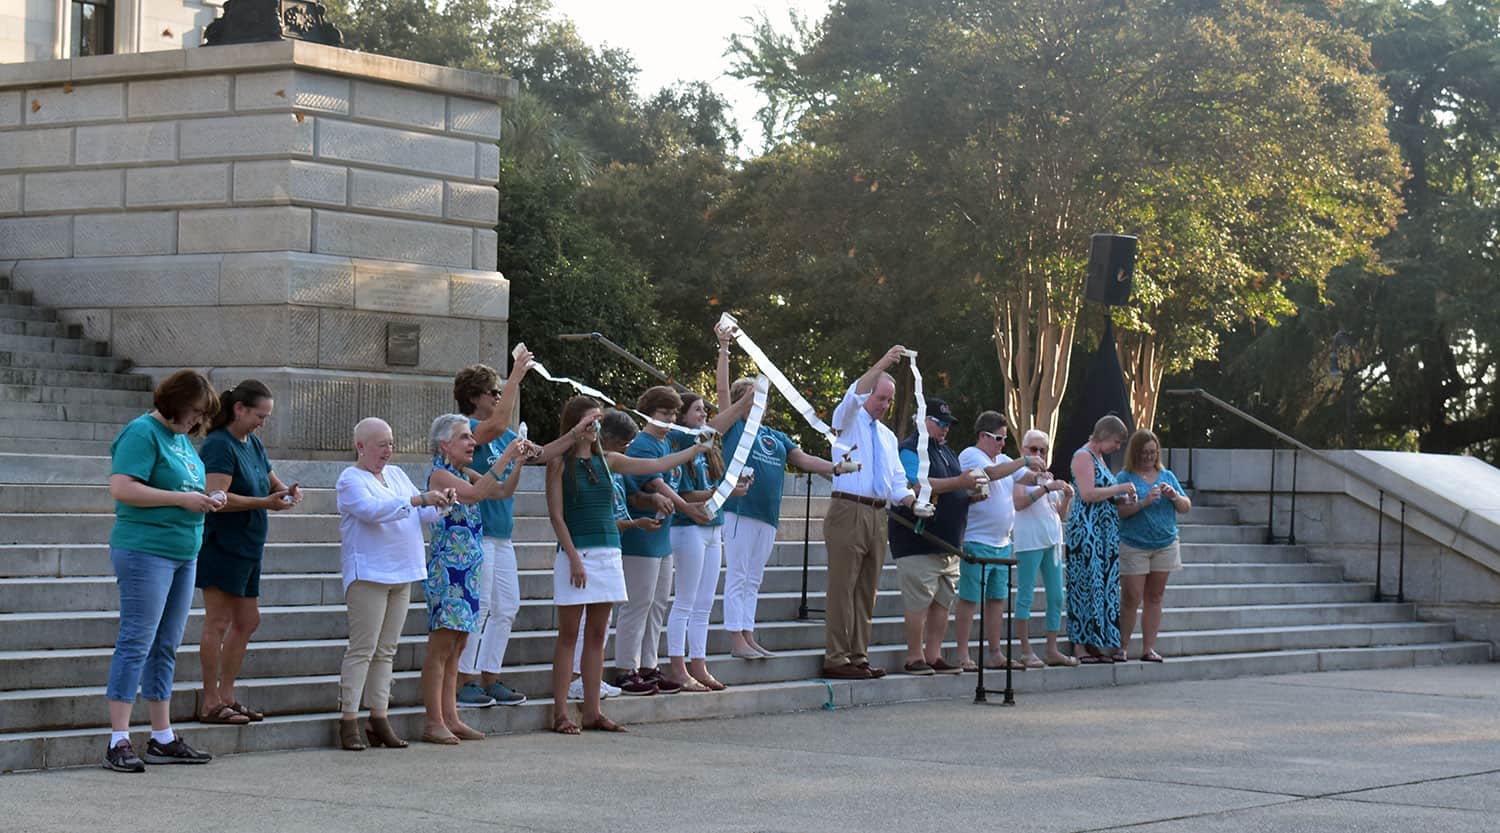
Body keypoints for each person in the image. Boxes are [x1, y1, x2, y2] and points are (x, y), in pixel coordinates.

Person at [546, 396, 710, 733]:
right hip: (577, 553)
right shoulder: (560, 463)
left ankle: (592, 710)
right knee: (569, 634)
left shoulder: (610, 460)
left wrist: (694, 451)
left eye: (598, 421)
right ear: (577, 423)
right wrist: (574, 557)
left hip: (608, 552)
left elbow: (653, 467)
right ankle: (560, 712)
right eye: (589, 421)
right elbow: (556, 516)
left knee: (596, 635)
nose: (595, 427)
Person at [103, 369, 223, 772]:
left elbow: (185, 489)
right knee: (137, 639)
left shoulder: (182, 441)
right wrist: (182, 499)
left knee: (166, 643)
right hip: (145, 551)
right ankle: (119, 739)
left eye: (203, 415)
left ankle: (162, 736)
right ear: (174, 402)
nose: (198, 421)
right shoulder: (142, 433)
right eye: (194, 411)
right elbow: (122, 488)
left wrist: (207, 499)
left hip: (183, 552)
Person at [451, 352, 580, 709]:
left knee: (507, 606)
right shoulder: (463, 429)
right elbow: (492, 428)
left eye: (499, 392)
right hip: (475, 533)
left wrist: (574, 433)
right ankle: (465, 680)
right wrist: (516, 375)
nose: (497, 397)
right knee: (481, 607)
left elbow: (540, 453)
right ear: (474, 396)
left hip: (502, 535)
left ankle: (490, 676)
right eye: (492, 392)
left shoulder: (504, 432)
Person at [714, 324, 849, 659]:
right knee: (739, 576)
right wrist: (725, 348)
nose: (761, 403)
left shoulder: (775, 435)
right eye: (755, 398)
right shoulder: (734, 428)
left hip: (767, 515)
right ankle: (736, 641)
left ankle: (749, 634)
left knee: (754, 579)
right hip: (739, 510)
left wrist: (835, 467)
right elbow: (721, 394)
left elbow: (803, 459)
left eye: (763, 398)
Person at [335, 418, 454, 751]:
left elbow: (420, 514)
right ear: (361, 446)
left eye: (390, 443)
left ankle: (379, 716)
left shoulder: (397, 475)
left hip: (403, 572)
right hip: (370, 574)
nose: (389, 450)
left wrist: (441, 504)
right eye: (381, 444)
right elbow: (372, 511)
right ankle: (348, 720)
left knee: (386, 650)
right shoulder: (349, 479)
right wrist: (419, 500)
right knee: (363, 649)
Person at [195, 380, 302, 727]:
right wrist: (265, 503)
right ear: (239, 409)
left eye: (267, 416)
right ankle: (210, 701)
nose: (263, 422)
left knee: (247, 621)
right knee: (219, 621)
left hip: (249, 545)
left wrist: (286, 493)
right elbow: (216, 496)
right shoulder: (218, 445)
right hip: (222, 544)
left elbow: (272, 482)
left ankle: (227, 695)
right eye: (260, 415)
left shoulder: (251, 442)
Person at [823, 346, 918, 680]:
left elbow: (895, 480)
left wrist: (911, 501)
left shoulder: (888, 436)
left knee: (867, 589)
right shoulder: (849, 421)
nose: (885, 405)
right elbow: (856, 392)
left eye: (889, 400)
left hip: (878, 514)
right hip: (849, 507)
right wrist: (882, 362)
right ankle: (836, 656)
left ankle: (858, 654)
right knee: (842, 587)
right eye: (881, 398)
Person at [614, 386, 713, 696]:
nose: (670, 419)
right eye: (664, 413)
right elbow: (655, 482)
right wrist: (687, 509)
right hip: (642, 535)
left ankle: (648, 665)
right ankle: (625, 668)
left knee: (658, 603)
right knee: (638, 603)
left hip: (661, 535)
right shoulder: (643, 444)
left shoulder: (667, 442)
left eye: (673, 414)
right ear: (648, 413)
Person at [663, 391, 752, 692]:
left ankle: (698, 664)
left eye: (704, 409)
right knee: (685, 601)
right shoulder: (684, 442)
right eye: (697, 410)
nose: (703, 414)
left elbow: (712, 488)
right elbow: (686, 496)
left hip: (714, 527)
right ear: (684, 415)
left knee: (704, 604)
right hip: (689, 527)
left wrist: (730, 489)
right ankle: (677, 666)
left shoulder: (709, 449)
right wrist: (742, 403)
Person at [890, 397, 979, 675]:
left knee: (943, 601)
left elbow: (952, 487)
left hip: (948, 543)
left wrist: (970, 493)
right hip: (918, 540)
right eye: (939, 423)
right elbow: (915, 484)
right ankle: (914, 656)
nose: (945, 429)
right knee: (919, 601)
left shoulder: (946, 451)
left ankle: (934, 654)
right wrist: (961, 482)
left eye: (947, 424)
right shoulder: (909, 448)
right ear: (922, 420)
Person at [953, 411, 1038, 671]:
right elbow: (991, 473)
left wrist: (1040, 472)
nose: (1002, 444)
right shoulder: (970, 454)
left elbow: (1024, 477)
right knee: (969, 599)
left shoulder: (1003, 459)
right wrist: (1023, 459)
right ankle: (962, 654)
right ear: (983, 436)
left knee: (996, 599)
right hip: (976, 540)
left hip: (1001, 542)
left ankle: (994, 652)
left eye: (1004, 439)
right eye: (999, 438)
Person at [1115, 429, 1191, 662]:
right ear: (1135, 452)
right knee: (1131, 596)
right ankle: (1122, 646)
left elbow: (1186, 506)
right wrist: (1145, 502)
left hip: (1165, 543)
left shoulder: (1166, 475)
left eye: (1153, 452)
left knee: (1155, 596)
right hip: (1134, 544)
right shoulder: (1124, 477)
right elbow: (1120, 511)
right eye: (1144, 452)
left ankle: (1148, 649)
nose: (1149, 456)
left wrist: (1174, 497)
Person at [1066, 415, 1137, 664]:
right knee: (1085, 585)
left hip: (1104, 533)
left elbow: (1104, 494)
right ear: (1104, 435)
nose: (1118, 447)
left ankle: (1096, 642)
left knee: (1102, 587)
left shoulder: (1100, 458)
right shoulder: (1083, 456)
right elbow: (1086, 494)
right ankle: (1079, 646)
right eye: (1116, 442)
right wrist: (1119, 488)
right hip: (1086, 532)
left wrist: (1122, 498)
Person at [1010, 429, 1077, 668]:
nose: (1038, 454)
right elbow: (1018, 503)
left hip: (1052, 540)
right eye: (1033, 449)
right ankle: (1026, 650)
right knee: (1026, 595)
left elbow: (1059, 513)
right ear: (1024, 451)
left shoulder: (1049, 477)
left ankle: (1051, 649)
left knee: (1057, 597)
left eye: (1043, 450)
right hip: (1029, 542)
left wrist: (1066, 496)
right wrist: (1045, 489)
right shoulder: (1020, 475)